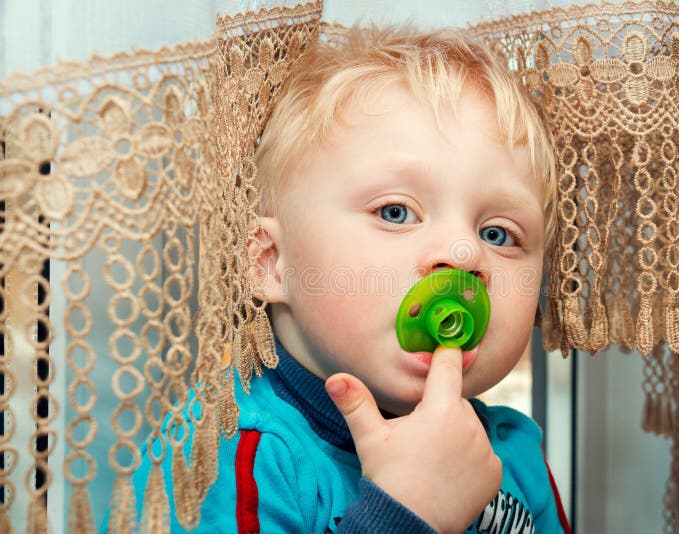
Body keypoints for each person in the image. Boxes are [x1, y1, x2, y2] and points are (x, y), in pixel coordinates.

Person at [134, 25, 569, 533]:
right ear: (271, 262)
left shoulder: (515, 457)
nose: (464, 253)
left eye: (497, 234)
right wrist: (406, 514)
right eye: (395, 212)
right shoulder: (227, 458)